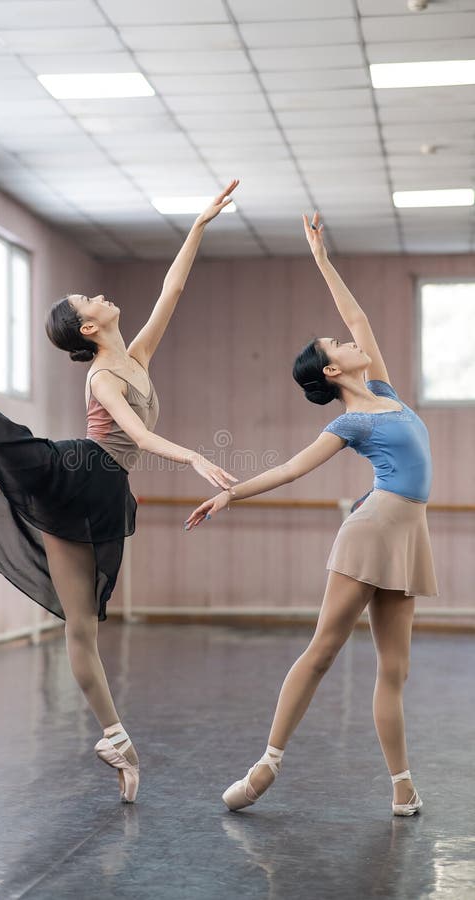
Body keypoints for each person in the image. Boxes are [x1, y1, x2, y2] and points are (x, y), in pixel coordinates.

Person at [0, 181, 239, 804]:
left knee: (83, 627)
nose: (98, 294)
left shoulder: (136, 354)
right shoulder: (101, 373)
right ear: (89, 327)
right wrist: (194, 455)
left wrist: (199, 223)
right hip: (73, 475)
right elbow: (139, 435)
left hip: (100, 490)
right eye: (87, 298)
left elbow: (173, 289)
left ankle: (115, 739)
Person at [185, 211, 438, 816]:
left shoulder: (386, 393)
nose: (351, 342)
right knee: (323, 649)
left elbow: (359, 318)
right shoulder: (349, 420)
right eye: (338, 347)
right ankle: (267, 762)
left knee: (394, 669)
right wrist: (233, 492)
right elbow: (293, 468)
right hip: (371, 530)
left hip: (408, 534)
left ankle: (402, 784)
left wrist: (322, 258)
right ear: (332, 370)